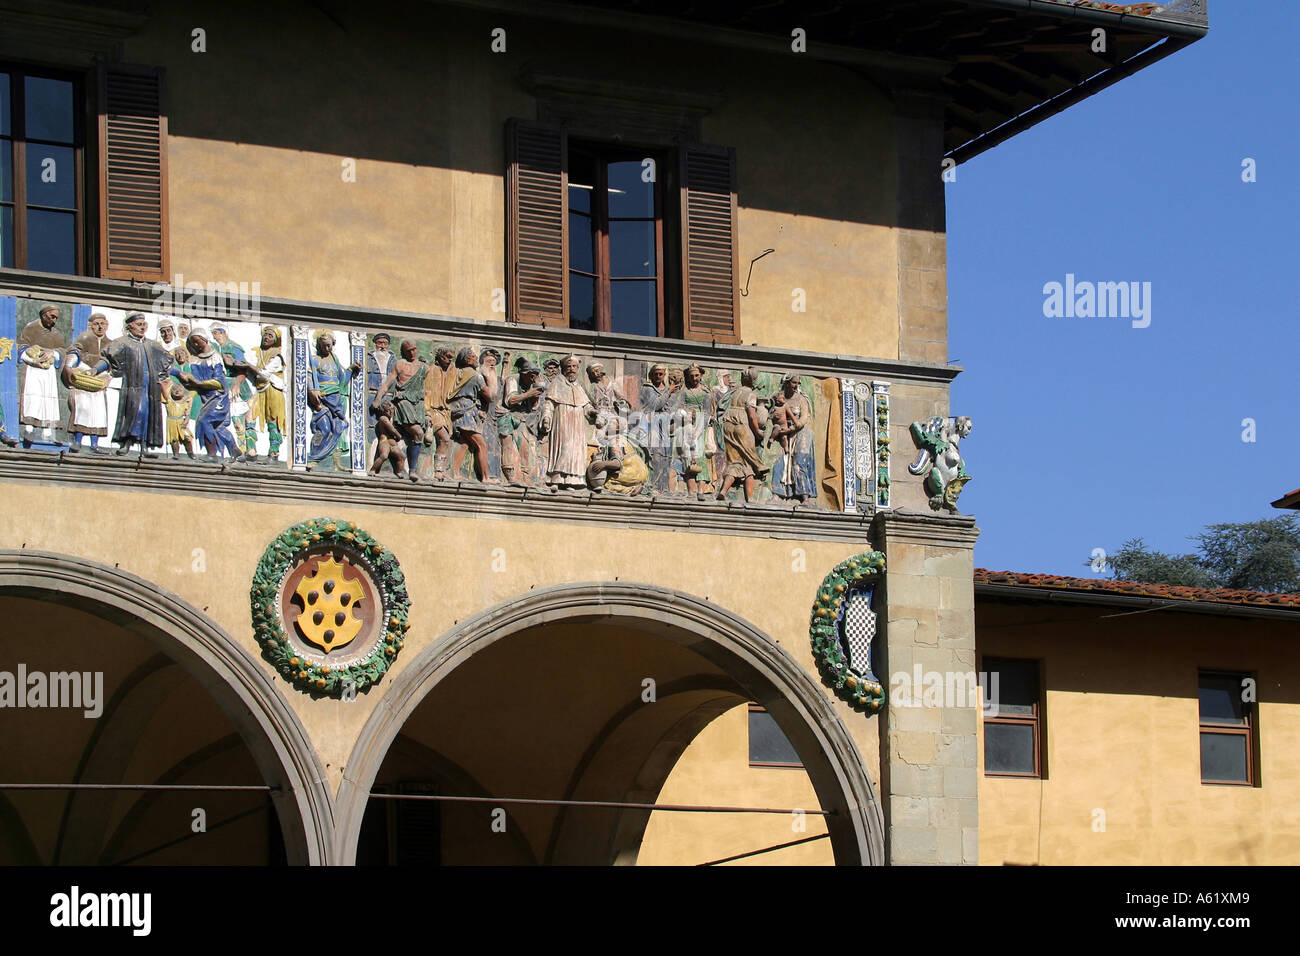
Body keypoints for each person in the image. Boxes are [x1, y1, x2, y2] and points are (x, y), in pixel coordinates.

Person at [96, 312, 176, 455]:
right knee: (134, 411)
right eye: (139, 325)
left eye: (144, 325)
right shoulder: (122, 342)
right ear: (130, 326)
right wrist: (94, 370)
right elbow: (108, 358)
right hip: (132, 385)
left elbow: (167, 362)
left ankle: (144, 446)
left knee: (147, 413)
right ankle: (126, 442)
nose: (142, 327)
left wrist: (181, 375)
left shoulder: (152, 345)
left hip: (150, 386)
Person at [372, 339, 430, 481]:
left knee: (418, 436)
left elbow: (428, 390)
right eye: (408, 350)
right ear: (403, 352)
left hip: (418, 404)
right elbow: (387, 384)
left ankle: (412, 470)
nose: (412, 352)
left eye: (414, 349)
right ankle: (412, 471)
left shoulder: (424, 367)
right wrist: (378, 399)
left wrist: (428, 411)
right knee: (418, 432)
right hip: (403, 401)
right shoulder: (400, 364)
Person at [179, 328, 240, 460]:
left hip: (219, 397)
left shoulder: (215, 357)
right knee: (217, 427)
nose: (196, 345)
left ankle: (212, 454)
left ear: (205, 339)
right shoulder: (195, 360)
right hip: (205, 398)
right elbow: (194, 380)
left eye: (197, 341)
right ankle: (235, 450)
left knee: (204, 421)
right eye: (193, 343)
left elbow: (218, 382)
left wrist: (198, 383)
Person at [539, 354, 596, 491]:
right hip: (562, 420)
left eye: (574, 367)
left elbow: (587, 407)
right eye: (568, 367)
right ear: (564, 369)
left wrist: (592, 412)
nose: (571, 369)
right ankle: (556, 478)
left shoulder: (579, 387)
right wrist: (546, 417)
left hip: (577, 424)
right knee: (564, 448)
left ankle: (572, 480)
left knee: (576, 451)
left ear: (577, 369)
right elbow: (549, 403)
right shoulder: (557, 383)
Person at [16, 303, 67, 447]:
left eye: (56, 318)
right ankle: (29, 430)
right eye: (52, 317)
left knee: (49, 400)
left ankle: (49, 434)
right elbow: (22, 347)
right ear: (44, 315)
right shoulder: (31, 328)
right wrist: (33, 359)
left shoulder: (56, 334)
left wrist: (53, 353)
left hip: (48, 370)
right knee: (33, 398)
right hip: (33, 369)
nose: (54, 321)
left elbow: (62, 351)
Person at [307, 331, 361, 465]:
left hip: (335, 398)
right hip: (322, 397)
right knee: (324, 428)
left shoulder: (335, 359)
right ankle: (314, 456)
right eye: (323, 346)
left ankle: (327, 457)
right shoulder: (315, 359)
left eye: (329, 346)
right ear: (319, 345)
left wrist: (351, 369)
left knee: (338, 426)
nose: (326, 349)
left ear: (333, 345)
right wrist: (312, 390)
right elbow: (309, 376)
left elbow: (342, 381)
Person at [715, 368, 768, 502]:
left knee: (734, 462)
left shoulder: (734, 392)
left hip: (727, 426)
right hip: (741, 426)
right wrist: (757, 432)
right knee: (748, 461)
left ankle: (723, 490)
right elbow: (751, 415)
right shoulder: (750, 394)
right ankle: (750, 497)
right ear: (754, 380)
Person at [64, 312, 112, 453]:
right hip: (84, 376)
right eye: (96, 324)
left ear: (107, 325)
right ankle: (78, 441)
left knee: (98, 413)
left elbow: (114, 362)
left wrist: (109, 376)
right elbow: (75, 351)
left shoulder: (109, 343)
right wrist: (69, 366)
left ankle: (94, 444)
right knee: (83, 409)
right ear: (90, 326)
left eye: (102, 324)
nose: (99, 327)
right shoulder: (84, 338)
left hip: (99, 379)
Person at [446, 346, 495, 481]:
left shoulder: (457, 373)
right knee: (481, 444)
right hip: (467, 413)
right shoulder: (475, 375)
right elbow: (490, 396)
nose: (476, 359)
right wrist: (489, 378)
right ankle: (485, 477)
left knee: (465, 443)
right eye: (474, 356)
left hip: (456, 410)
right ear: (468, 359)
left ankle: (453, 472)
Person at [770, 372, 817, 505]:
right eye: (793, 382)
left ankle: (805, 496)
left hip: (802, 433)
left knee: (799, 462)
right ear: (787, 383)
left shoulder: (802, 399)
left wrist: (790, 429)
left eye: (798, 383)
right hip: (784, 434)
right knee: (779, 461)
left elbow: (803, 420)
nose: (796, 386)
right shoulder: (779, 397)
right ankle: (778, 493)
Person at [211, 323, 256, 462]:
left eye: (216, 334)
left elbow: (243, 368)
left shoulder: (234, 347)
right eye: (213, 335)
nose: (215, 337)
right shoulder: (216, 347)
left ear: (223, 332)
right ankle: (241, 451)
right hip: (225, 385)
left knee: (247, 419)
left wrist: (236, 385)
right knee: (236, 421)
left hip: (239, 386)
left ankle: (251, 450)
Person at [634, 362, 679, 496]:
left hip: (666, 426)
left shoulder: (671, 389)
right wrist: (668, 392)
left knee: (666, 457)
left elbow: (675, 405)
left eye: (661, 374)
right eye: (656, 374)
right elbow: (655, 405)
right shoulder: (648, 388)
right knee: (654, 456)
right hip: (652, 426)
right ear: (651, 375)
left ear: (665, 375)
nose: (658, 376)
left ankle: (663, 487)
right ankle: (651, 484)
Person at [499, 358, 545, 485]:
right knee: (507, 444)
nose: (532, 379)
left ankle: (526, 478)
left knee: (525, 448)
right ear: (524, 373)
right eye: (530, 376)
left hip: (522, 419)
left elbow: (534, 408)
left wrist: (536, 395)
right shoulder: (513, 379)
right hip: (506, 416)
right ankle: (510, 476)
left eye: (534, 376)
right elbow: (510, 400)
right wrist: (529, 394)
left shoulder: (532, 384)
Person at [672, 363, 714, 500]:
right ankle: (691, 490)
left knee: (699, 457)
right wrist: (685, 414)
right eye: (691, 376)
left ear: (701, 376)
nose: (694, 378)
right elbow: (678, 408)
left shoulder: (705, 393)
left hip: (700, 424)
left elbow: (707, 413)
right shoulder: (684, 392)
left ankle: (701, 490)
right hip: (686, 423)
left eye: (696, 375)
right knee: (686, 457)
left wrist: (700, 429)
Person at [248, 326, 286, 462]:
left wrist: (248, 365)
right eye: (266, 334)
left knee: (272, 420)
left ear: (275, 340)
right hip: (259, 390)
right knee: (251, 416)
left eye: (271, 336)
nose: (267, 337)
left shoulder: (277, 356)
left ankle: (274, 452)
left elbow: (264, 375)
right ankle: (250, 451)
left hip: (273, 390)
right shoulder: (257, 352)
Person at [424, 346, 455, 479]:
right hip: (433, 410)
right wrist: (426, 412)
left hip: (446, 412)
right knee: (444, 439)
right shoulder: (431, 370)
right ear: (440, 356)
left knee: (448, 441)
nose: (450, 360)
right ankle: (438, 471)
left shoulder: (452, 371)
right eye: (447, 356)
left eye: (451, 357)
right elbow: (426, 391)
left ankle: (443, 469)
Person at [368, 401, 407, 478]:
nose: (391, 412)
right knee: (384, 455)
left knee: (402, 456)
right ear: (383, 411)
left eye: (392, 410)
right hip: (384, 441)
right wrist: (398, 436)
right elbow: (392, 429)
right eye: (388, 410)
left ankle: (398, 471)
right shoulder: (383, 418)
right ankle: (372, 469)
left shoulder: (390, 419)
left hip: (392, 443)